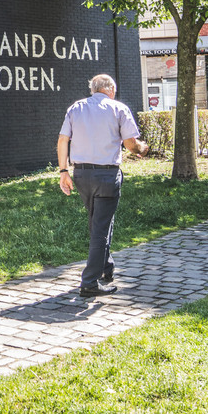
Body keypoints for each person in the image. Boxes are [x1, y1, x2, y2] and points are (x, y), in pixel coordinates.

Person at [58, 74, 149, 298]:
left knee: (97, 221)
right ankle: (89, 282)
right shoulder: (118, 108)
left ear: (93, 89)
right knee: (100, 228)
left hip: (81, 175)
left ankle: (106, 268)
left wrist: (63, 171)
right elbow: (130, 144)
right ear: (110, 89)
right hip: (107, 175)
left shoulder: (75, 108)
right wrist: (142, 148)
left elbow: (62, 140)